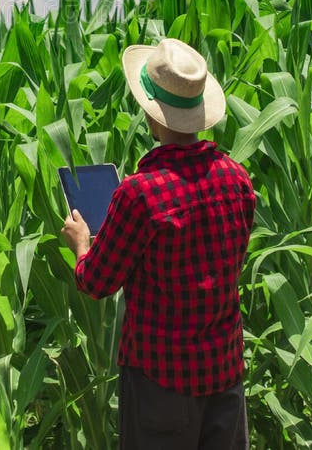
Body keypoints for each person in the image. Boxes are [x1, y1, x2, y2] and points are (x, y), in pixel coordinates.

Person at [61, 38, 256, 450]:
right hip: (224, 375)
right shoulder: (236, 179)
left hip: (160, 385)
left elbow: (96, 282)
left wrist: (82, 243)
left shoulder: (138, 195)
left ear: (152, 114)